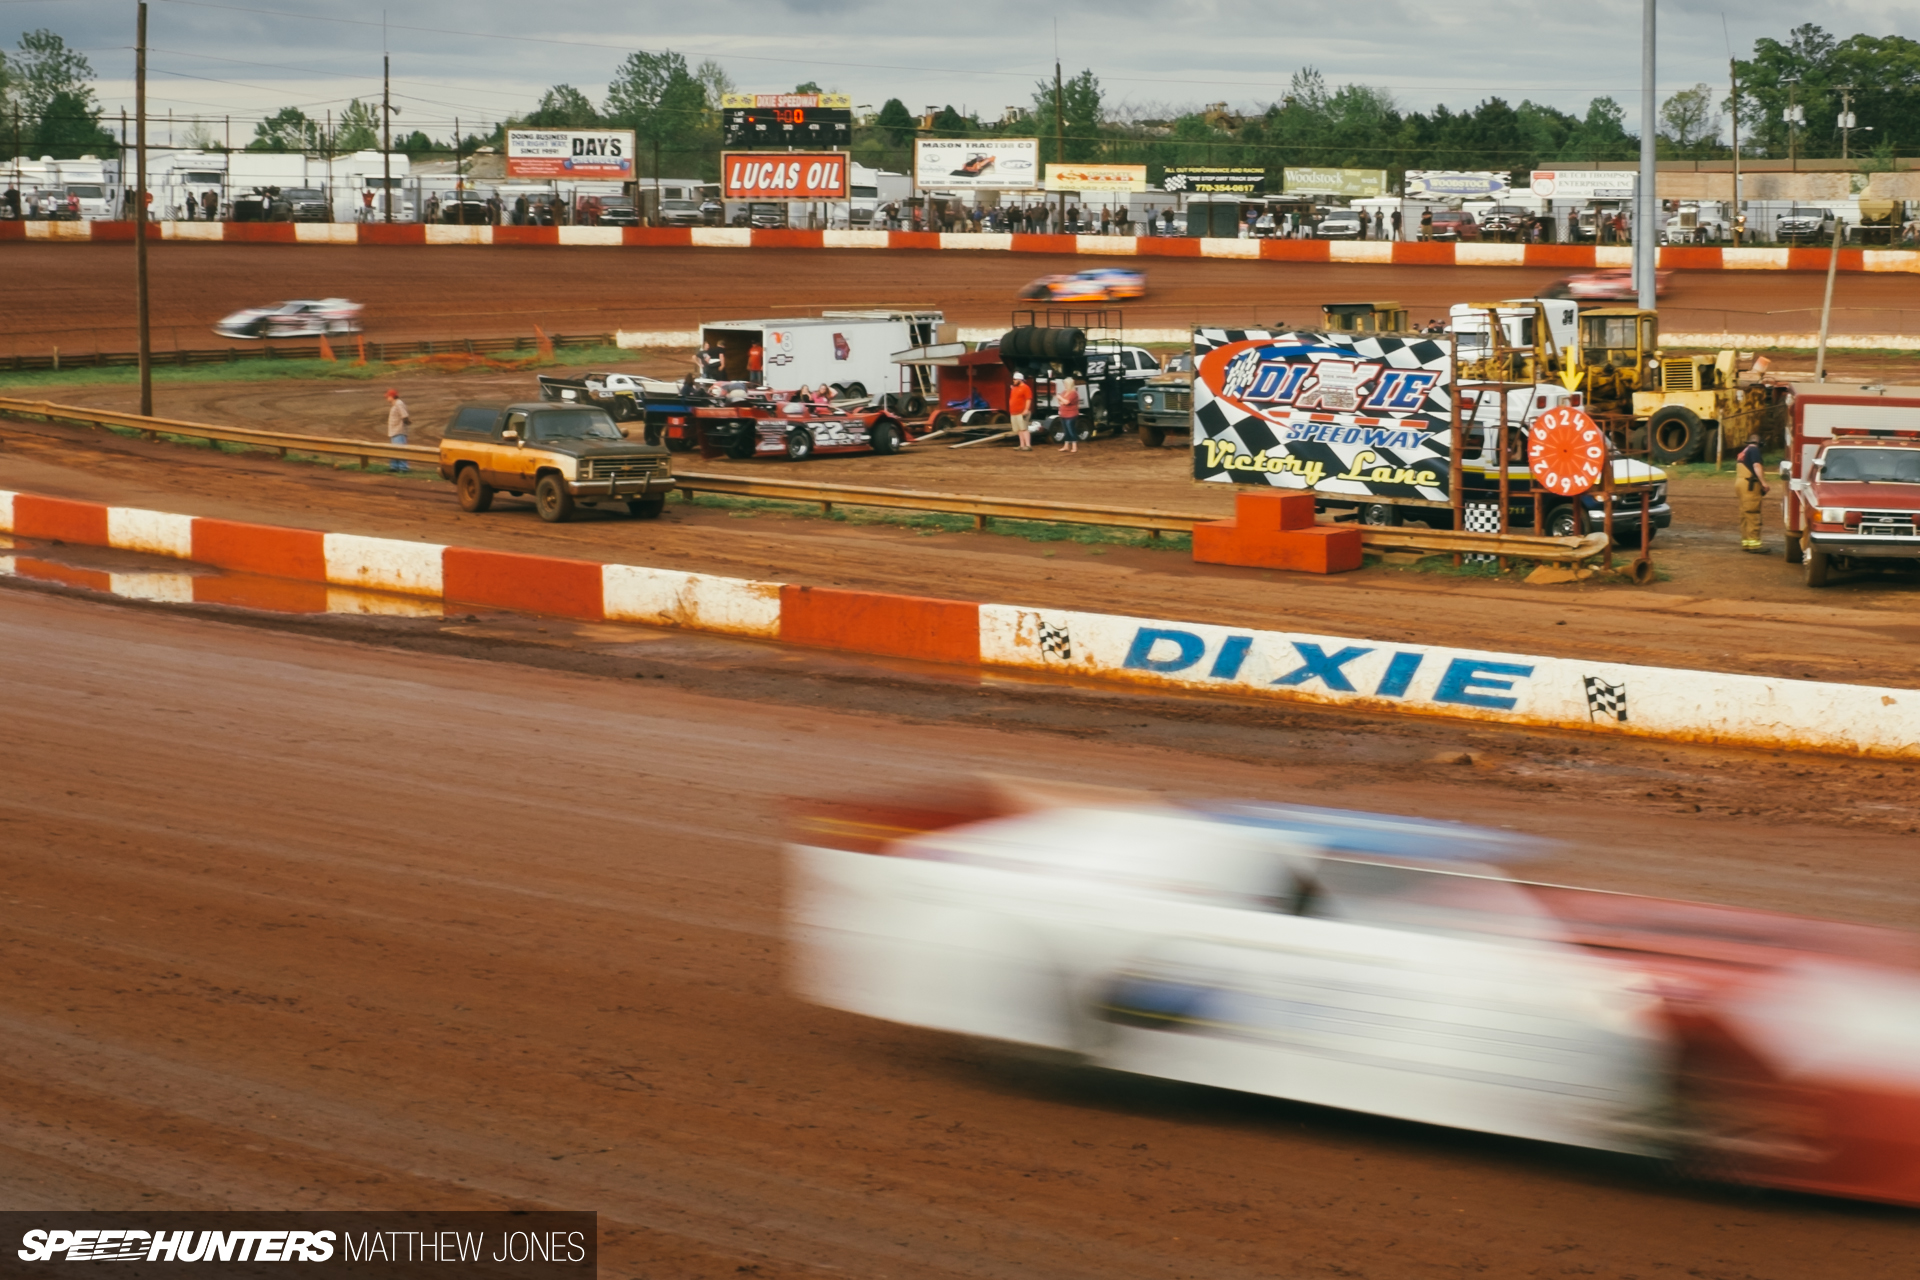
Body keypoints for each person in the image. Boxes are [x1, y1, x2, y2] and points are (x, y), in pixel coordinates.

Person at [1736, 431, 1769, 552]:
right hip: (1750, 485)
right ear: (1759, 443)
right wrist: (1764, 483)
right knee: (1752, 513)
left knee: (1744, 514)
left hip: (1740, 483)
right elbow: (1756, 466)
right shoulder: (1754, 450)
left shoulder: (1743, 452)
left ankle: (1746, 542)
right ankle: (1755, 544)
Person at [384, 389, 411, 474]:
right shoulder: (395, 404)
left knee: (400, 450)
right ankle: (394, 467)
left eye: (388, 396)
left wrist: (406, 424)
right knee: (394, 450)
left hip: (399, 431)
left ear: (392, 396)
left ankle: (403, 468)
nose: (387, 398)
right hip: (394, 431)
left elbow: (405, 416)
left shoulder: (399, 403)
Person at [1054, 376, 1081, 455]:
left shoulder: (1073, 393)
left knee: (1071, 430)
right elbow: (1062, 402)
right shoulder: (1064, 392)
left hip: (1071, 414)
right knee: (1066, 430)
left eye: (1065, 383)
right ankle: (1066, 446)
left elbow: (1066, 402)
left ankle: (1074, 446)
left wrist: (1059, 397)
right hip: (1064, 414)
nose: (1064, 385)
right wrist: (1062, 400)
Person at [1008, 372, 1034, 451]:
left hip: (1021, 412)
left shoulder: (1025, 388)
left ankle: (1028, 445)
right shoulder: (1015, 388)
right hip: (1014, 412)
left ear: (1020, 379)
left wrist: (1026, 409)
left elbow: (1028, 399)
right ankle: (1022, 445)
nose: (1013, 381)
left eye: (1015, 379)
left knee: (1024, 428)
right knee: (1019, 429)